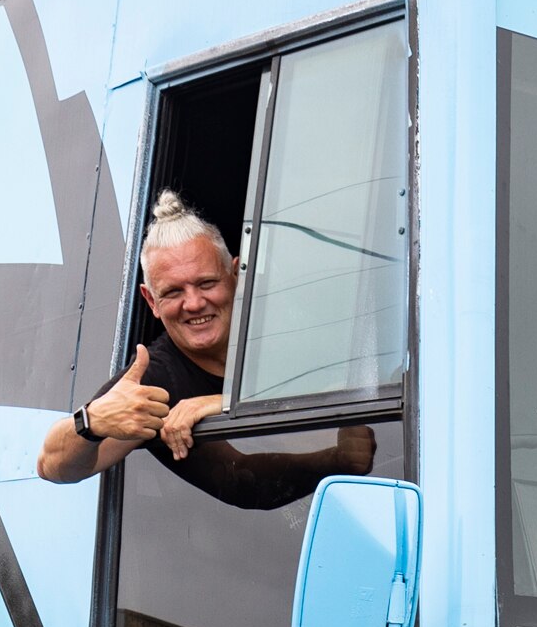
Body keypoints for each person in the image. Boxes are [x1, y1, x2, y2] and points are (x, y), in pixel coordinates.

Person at [37, 193, 374, 505]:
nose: (194, 303)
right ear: (151, 301)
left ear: (236, 275)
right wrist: (92, 421)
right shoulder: (155, 377)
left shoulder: (291, 322)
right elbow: (51, 464)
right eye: (172, 292)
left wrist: (223, 404)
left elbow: (368, 377)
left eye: (206, 283)